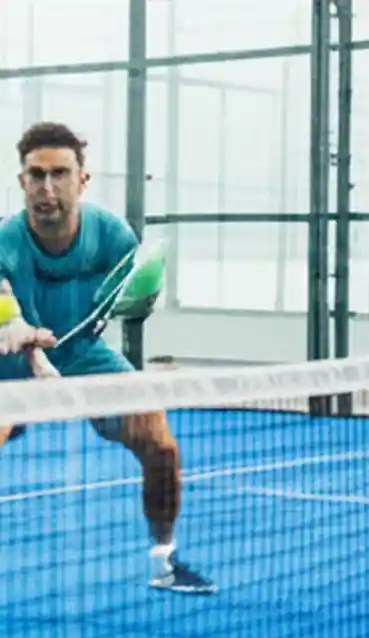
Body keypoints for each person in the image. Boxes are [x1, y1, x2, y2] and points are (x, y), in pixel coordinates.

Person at [0, 122, 215, 593]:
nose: (47, 187)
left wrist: (145, 300)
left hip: (85, 359)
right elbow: (5, 312)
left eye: (60, 173)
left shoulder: (112, 235)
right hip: (9, 368)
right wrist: (21, 336)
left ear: (83, 179)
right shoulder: (5, 240)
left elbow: (134, 301)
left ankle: (165, 564)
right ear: (21, 182)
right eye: (36, 175)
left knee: (159, 444)